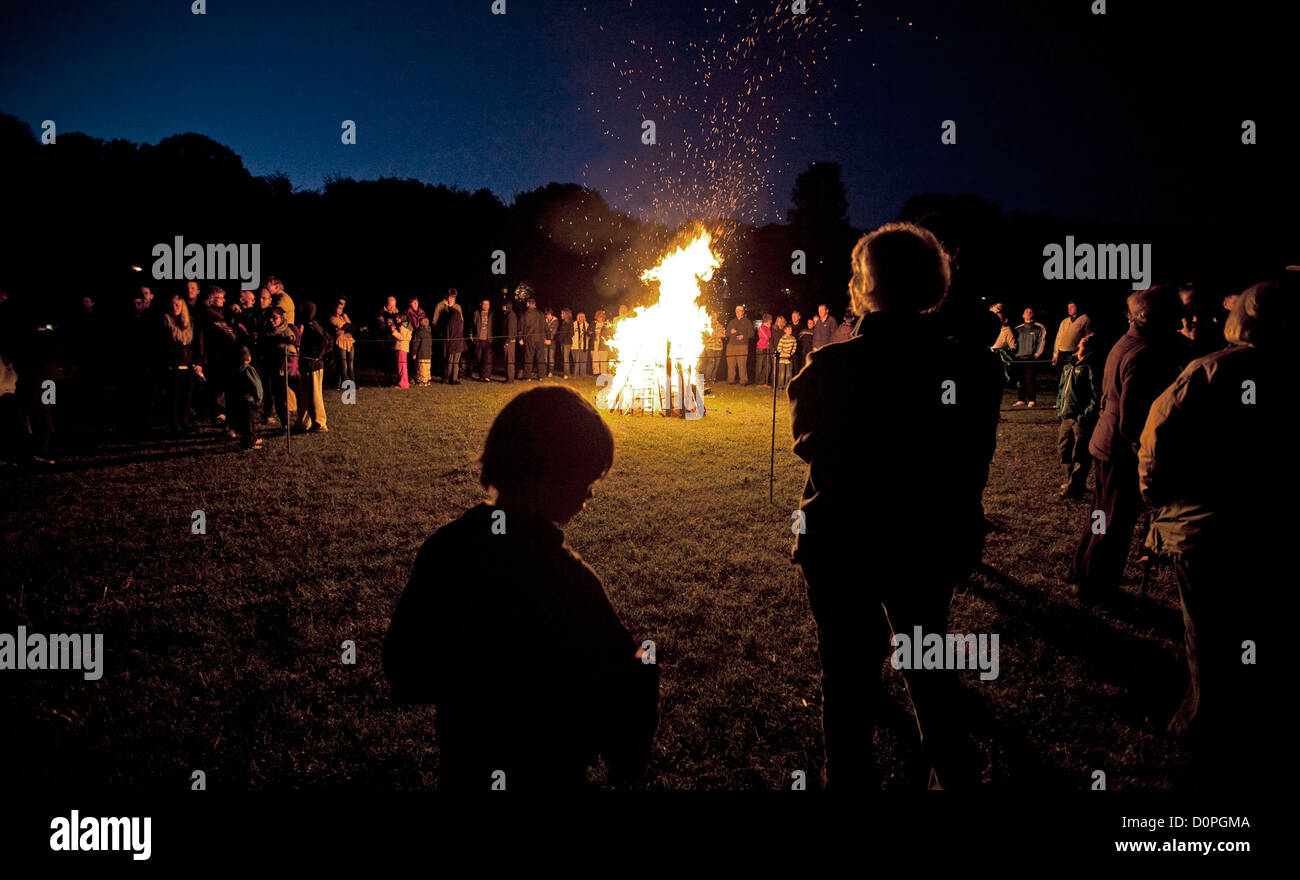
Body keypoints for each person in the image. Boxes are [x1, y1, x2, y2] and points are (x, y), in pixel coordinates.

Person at [788, 222, 986, 790]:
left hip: (842, 540)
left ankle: (850, 776)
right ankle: (953, 768)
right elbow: (971, 456)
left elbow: (810, 443)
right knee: (928, 659)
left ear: (865, 284)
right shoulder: (965, 367)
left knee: (848, 674)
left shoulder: (829, 367)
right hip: (927, 538)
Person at [383, 385, 659, 790]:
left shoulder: (449, 548)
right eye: (587, 476)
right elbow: (630, 677)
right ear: (551, 472)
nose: (590, 492)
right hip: (548, 772)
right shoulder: (563, 577)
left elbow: (405, 670)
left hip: (466, 765)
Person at [1138, 277, 1293, 788]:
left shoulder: (1209, 372)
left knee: (1208, 629)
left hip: (1209, 528)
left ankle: (1204, 720)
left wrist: (1159, 503)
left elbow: (1156, 445)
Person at [1068, 286, 1185, 605]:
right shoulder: (1145, 351)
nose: (1180, 320)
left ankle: (1083, 570)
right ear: (1154, 315)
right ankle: (1097, 587)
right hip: (1120, 449)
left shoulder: (1128, 340)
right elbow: (1133, 418)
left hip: (1105, 442)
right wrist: (1144, 452)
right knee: (1114, 523)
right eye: (1174, 314)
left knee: (1100, 513)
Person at [1055, 332, 1101, 499]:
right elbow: (1061, 389)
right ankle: (1071, 481)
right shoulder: (1069, 366)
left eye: (1090, 338)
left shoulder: (1090, 367)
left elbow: (1096, 395)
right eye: (1085, 337)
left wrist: (1086, 414)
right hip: (1066, 416)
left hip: (1080, 418)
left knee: (1080, 452)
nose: (1086, 338)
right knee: (1064, 449)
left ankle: (1075, 486)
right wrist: (1060, 407)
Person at [161, 294, 204, 435]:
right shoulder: (166, 321)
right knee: (174, 396)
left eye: (177, 305)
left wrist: (198, 362)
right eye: (172, 304)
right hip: (173, 366)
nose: (175, 308)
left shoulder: (189, 323)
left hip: (188, 365)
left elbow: (197, 345)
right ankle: (173, 423)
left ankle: (185, 421)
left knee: (187, 396)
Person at [260, 306, 298, 426]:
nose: (272, 320)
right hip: (268, 365)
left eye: (275, 318)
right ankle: (269, 414)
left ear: (282, 318)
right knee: (269, 392)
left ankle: (285, 421)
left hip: (282, 368)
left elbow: (293, 350)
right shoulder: (265, 331)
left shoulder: (287, 330)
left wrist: (283, 346)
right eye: (270, 318)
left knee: (281, 395)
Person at [1012, 307, 1046, 406]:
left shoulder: (1039, 327)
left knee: (1030, 379)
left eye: (1031, 311)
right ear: (1023, 315)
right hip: (1018, 358)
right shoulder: (1018, 329)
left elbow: (1042, 342)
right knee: (1020, 380)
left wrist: (1036, 355)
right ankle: (1021, 399)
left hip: (1031, 358)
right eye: (1026, 312)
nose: (1029, 313)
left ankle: (1032, 399)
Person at [232, 345, 263, 451]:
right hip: (248, 400)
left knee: (244, 422)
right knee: (249, 423)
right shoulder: (248, 369)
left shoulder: (235, 369)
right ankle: (250, 442)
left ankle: (251, 439)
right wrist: (259, 397)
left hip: (239, 400)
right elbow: (256, 384)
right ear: (248, 357)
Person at [1050, 300, 1092, 366]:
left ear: (1077, 307)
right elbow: (1058, 338)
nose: (1069, 309)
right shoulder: (1064, 321)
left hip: (1074, 352)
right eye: (1068, 307)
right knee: (1062, 374)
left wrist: (1082, 350)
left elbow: (1089, 335)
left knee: (1073, 373)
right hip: (1062, 352)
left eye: (1072, 307)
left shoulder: (1085, 319)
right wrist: (1055, 354)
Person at [329, 299, 355, 389]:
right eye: (338, 308)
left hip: (349, 341)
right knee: (344, 364)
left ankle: (353, 383)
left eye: (341, 308)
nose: (339, 310)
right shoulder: (332, 318)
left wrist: (344, 331)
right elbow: (342, 326)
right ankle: (348, 384)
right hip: (341, 342)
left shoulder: (344, 316)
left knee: (350, 364)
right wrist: (347, 329)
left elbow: (351, 326)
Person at [724, 305, 751, 384]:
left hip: (742, 345)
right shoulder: (732, 322)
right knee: (731, 364)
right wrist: (730, 332)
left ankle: (743, 381)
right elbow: (726, 333)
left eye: (739, 311)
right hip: (731, 345)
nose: (738, 312)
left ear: (743, 312)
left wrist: (744, 336)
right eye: (736, 311)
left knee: (742, 364)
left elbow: (751, 333)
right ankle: (731, 380)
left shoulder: (747, 322)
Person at [520, 298, 546, 380]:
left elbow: (521, 327)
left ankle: (528, 377)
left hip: (529, 339)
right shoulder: (541, 314)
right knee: (540, 358)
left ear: (528, 304)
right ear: (534, 304)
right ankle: (541, 376)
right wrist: (547, 337)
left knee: (528, 358)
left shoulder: (524, 315)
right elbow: (545, 326)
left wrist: (520, 338)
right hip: (540, 339)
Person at [471, 299, 494, 381]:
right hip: (479, 339)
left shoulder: (491, 314)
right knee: (479, 358)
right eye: (484, 304)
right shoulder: (476, 313)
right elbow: (472, 325)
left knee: (487, 358)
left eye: (487, 304)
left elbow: (494, 326)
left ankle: (487, 376)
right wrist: (471, 334)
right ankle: (481, 376)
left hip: (488, 339)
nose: (486, 306)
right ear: (481, 304)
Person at [444, 306, 466, 384]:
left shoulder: (449, 324)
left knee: (450, 361)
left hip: (451, 344)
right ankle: (454, 379)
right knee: (456, 362)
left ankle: (448, 378)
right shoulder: (461, 322)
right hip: (459, 344)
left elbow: (447, 336)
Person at [390, 313, 412, 389]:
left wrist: (394, 332)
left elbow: (402, 337)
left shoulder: (403, 327)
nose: (397, 319)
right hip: (403, 348)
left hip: (401, 348)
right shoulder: (405, 326)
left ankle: (403, 383)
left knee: (402, 366)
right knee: (402, 366)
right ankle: (403, 382)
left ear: (402, 318)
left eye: (398, 317)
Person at [774, 322, 798, 390]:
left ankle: (787, 386)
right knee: (782, 373)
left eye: (790, 330)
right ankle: (780, 386)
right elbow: (779, 348)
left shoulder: (793, 339)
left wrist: (791, 353)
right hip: (782, 358)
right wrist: (783, 353)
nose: (790, 331)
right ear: (785, 330)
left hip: (789, 359)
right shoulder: (782, 339)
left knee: (789, 374)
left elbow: (794, 347)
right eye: (788, 329)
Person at [411, 316, 433, 386]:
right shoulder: (429, 332)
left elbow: (416, 343)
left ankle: (421, 381)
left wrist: (414, 353)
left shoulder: (418, 332)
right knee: (427, 368)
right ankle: (427, 380)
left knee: (421, 368)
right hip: (428, 354)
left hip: (421, 353)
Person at [500, 301, 518, 382]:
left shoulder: (511, 315)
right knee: (507, 359)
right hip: (509, 340)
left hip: (509, 341)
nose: (502, 307)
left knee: (509, 360)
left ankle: (510, 379)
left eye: (503, 306)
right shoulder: (508, 315)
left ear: (506, 306)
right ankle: (508, 378)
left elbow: (511, 330)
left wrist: (507, 341)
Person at [590, 309, 611, 375]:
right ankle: (596, 372)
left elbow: (609, 333)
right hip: (594, 343)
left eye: (601, 316)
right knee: (595, 359)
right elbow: (588, 332)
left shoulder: (606, 324)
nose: (600, 318)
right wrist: (592, 333)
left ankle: (603, 372)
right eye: (598, 316)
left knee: (603, 359)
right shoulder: (593, 324)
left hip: (603, 345)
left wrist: (601, 334)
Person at [754, 313, 773, 386]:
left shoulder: (768, 327)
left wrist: (768, 328)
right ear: (766, 320)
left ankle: (763, 381)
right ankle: (758, 382)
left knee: (768, 366)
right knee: (759, 366)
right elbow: (767, 337)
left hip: (767, 348)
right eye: (770, 320)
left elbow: (770, 336)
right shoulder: (761, 327)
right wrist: (768, 328)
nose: (771, 321)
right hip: (761, 348)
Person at [555, 308, 573, 379]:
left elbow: (571, 333)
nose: (561, 315)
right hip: (562, 342)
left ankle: (566, 374)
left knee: (566, 358)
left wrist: (561, 337)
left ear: (566, 314)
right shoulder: (563, 322)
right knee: (564, 358)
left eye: (562, 313)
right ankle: (565, 373)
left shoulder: (569, 323)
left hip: (567, 343)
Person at [571, 312, 590, 376]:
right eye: (580, 317)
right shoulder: (574, 324)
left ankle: (583, 374)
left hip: (584, 346)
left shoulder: (587, 325)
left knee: (583, 361)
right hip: (575, 346)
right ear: (577, 317)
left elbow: (589, 335)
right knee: (576, 361)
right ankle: (575, 374)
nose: (581, 318)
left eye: (582, 317)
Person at [543, 307, 558, 377]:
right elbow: (542, 330)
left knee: (551, 357)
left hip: (552, 341)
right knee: (545, 357)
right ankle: (545, 371)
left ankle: (551, 372)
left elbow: (553, 332)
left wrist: (550, 340)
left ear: (551, 314)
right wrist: (544, 339)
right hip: (545, 341)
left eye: (548, 314)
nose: (547, 316)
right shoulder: (544, 320)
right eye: (546, 315)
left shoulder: (555, 321)